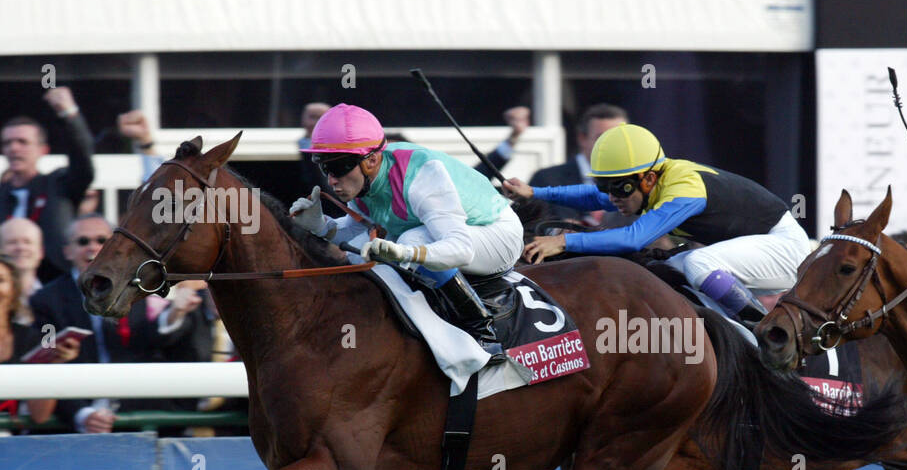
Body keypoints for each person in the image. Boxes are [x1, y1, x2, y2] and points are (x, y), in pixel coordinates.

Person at [511, 123, 807, 327]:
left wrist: (564, 242)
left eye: (621, 188)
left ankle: (765, 332)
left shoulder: (683, 189)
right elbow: (593, 195)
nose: (613, 197)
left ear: (649, 179)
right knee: (666, 272)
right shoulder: (650, 180)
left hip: (785, 251)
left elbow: (633, 239)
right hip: (752, 250)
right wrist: (535, 192)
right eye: (607, 186)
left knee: (699, 263)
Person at [289, 103, 522, 358]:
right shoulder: (364, 184)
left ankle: (483, 332)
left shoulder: (421, 176)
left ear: (371, 160)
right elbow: (355, 234)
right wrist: (321, 226)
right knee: (359, 254)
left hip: (497, 235)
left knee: (410, 238)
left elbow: (461, 249)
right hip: (451, 237)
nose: (332, 180)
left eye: (339, 167)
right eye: (324, 167)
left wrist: (404, 252)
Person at [29, 214, 197, 433]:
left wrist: (175, 313)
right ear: (67, 251)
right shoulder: (45, 300)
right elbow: (46, 356)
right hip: (75, 418)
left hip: (135, 416)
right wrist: (82, 415)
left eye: (102, 241)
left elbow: (147, 341)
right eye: (82, 241)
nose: (92, 247)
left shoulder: (135, 288)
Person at [0, 88, 96, 281]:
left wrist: (69, 114)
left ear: (43, 149)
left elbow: (83, 163)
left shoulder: (58, 185)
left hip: (56, 285)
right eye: (8, 143)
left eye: (22, 142)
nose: (14, 148)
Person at [0, 256, 79, 432]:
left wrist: (53, 362)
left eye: (0, 280)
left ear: (13, 289)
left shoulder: (31, 339)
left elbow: (40, 415)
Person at [529, 104, 628, 224]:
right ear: (582, 138)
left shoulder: (640, 181)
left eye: (619, 138)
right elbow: (527, 226)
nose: (613, 146)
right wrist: (554, 230)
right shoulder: (546, 179)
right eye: (602, 138)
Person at [0, 217, 44, 324]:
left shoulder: (57, 297)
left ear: (41, 252)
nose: (20, 248)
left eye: (27, 242)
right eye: (12, 242)